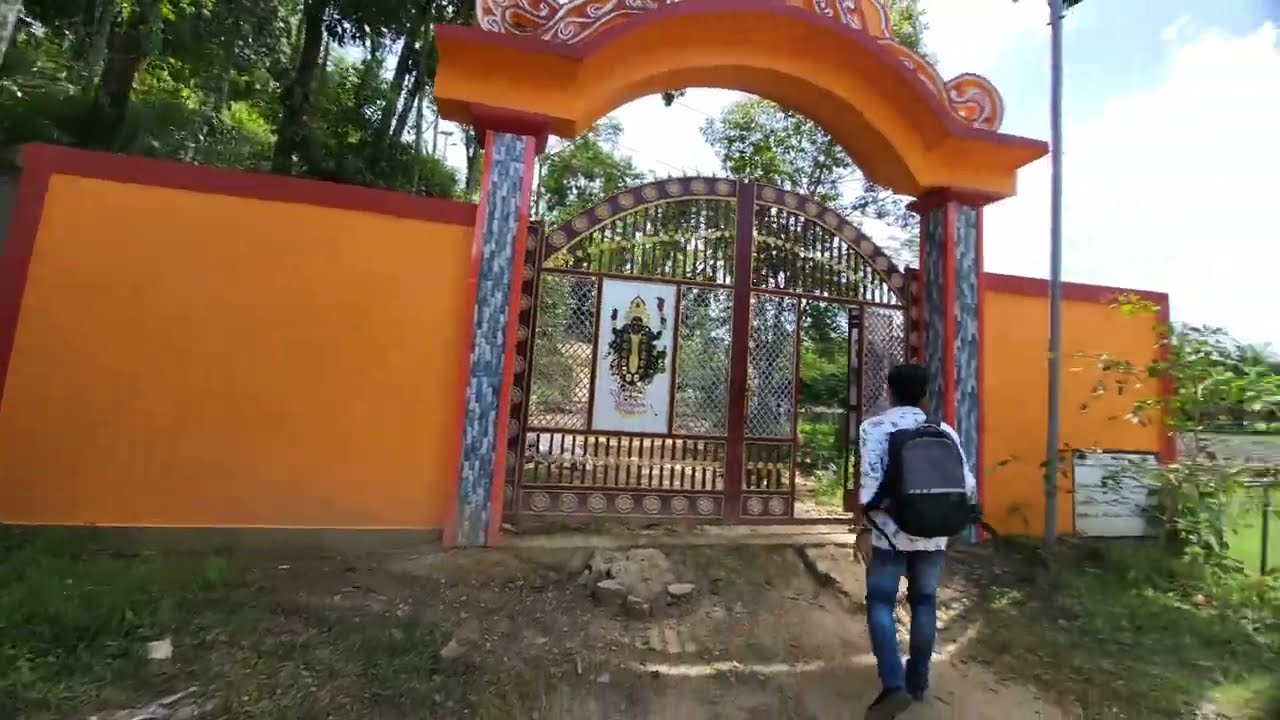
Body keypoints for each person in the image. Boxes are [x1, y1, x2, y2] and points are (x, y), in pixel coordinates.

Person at [855, 363, 977, 719]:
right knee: (924, 600)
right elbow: (967, 486)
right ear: (925, 395)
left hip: (889, 533)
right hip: (933, 534)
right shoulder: (944, 431)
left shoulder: (873, 427)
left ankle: (893, 686)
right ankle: (918, 682)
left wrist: (864, 527)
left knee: (880, 602)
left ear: (889, 392)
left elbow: (868, 489)